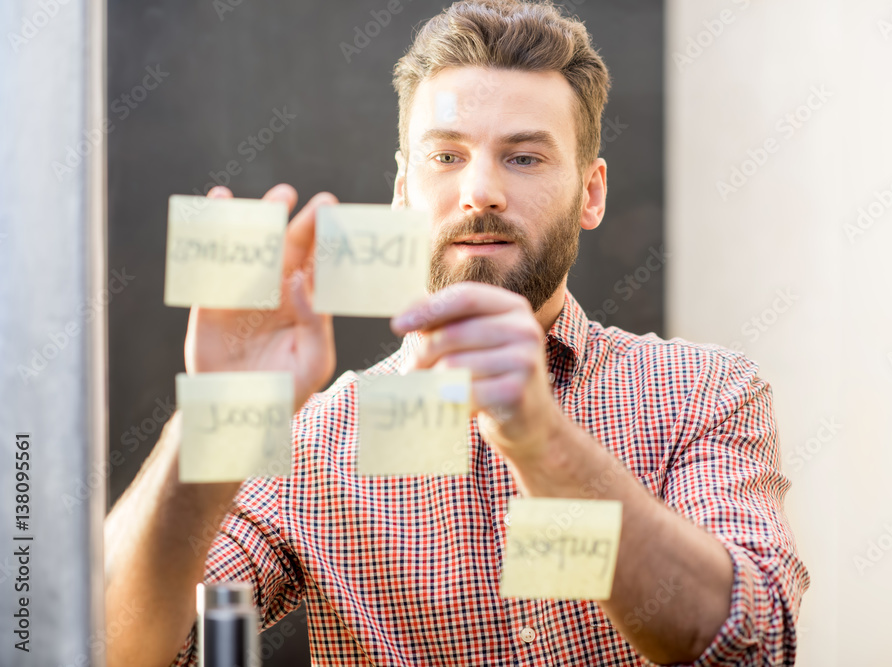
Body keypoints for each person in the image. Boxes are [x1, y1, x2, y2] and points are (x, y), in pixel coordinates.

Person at [104, 1, 809, 664]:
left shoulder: (703, 391)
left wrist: (542, 440)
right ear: (402, 190)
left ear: (590, 193)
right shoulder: (312, 442)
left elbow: (752, 644)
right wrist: (217, 416)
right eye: (446, 156)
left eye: (524, 157)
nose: (481, 191)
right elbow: (113, 649)